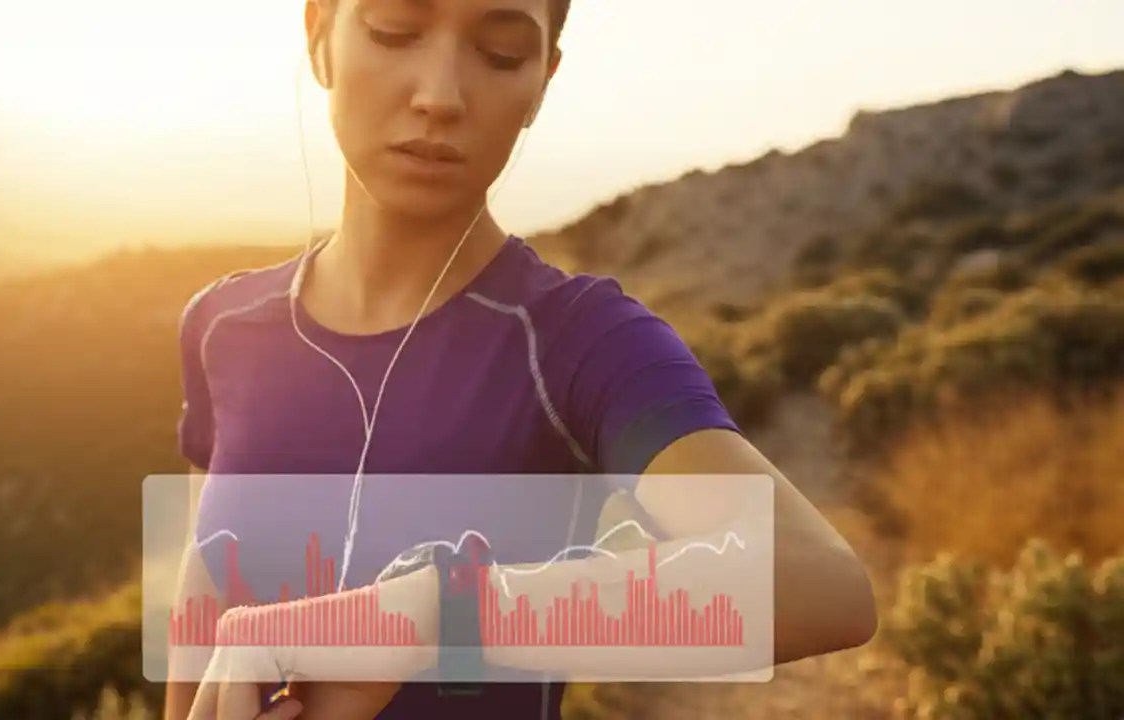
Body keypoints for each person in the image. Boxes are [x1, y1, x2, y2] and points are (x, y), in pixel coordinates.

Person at [165, 0, 878, 718]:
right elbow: (202, 629)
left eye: (502, 53)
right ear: (320, 37)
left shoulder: (582, 340)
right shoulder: (221, 326)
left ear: (541, 83)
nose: (439, 96)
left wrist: (436, 614)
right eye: (394, 31)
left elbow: (819, 582)